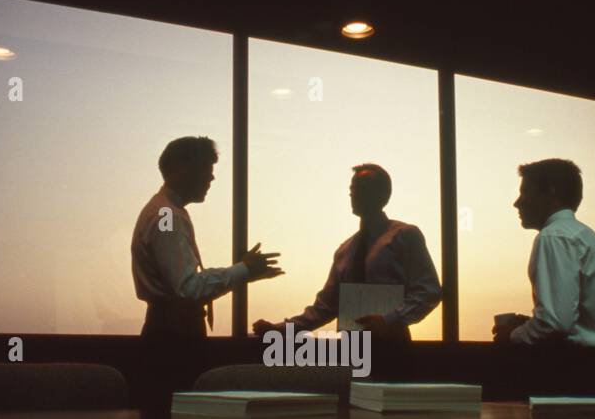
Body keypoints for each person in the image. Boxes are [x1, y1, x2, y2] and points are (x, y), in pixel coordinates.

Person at [252, 164, 440, 340]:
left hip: (390, 344)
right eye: (353, 189)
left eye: (361, 188)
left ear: (383, 194)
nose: (354, 194)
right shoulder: (345, 250)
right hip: (353, 346)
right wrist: (283, 329)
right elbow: (326, 306)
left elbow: (429, 291)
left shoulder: (404, 235)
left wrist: (389, 320)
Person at [132, 135, 282, 338]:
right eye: (206, 169)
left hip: (170, 330)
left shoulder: (165, 211)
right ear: (183, 169)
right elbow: (188, 288)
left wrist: (244, 272)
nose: (211, 178)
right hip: (174, 337)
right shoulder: (166, 216)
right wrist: (244, 269)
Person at [492, 158, 595, 348]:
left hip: (584, 365)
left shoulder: (553, 237)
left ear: (551, 193)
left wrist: (513, 336)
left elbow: (554, 323)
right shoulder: (590, 240)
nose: (517, 203)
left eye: (524, 193)